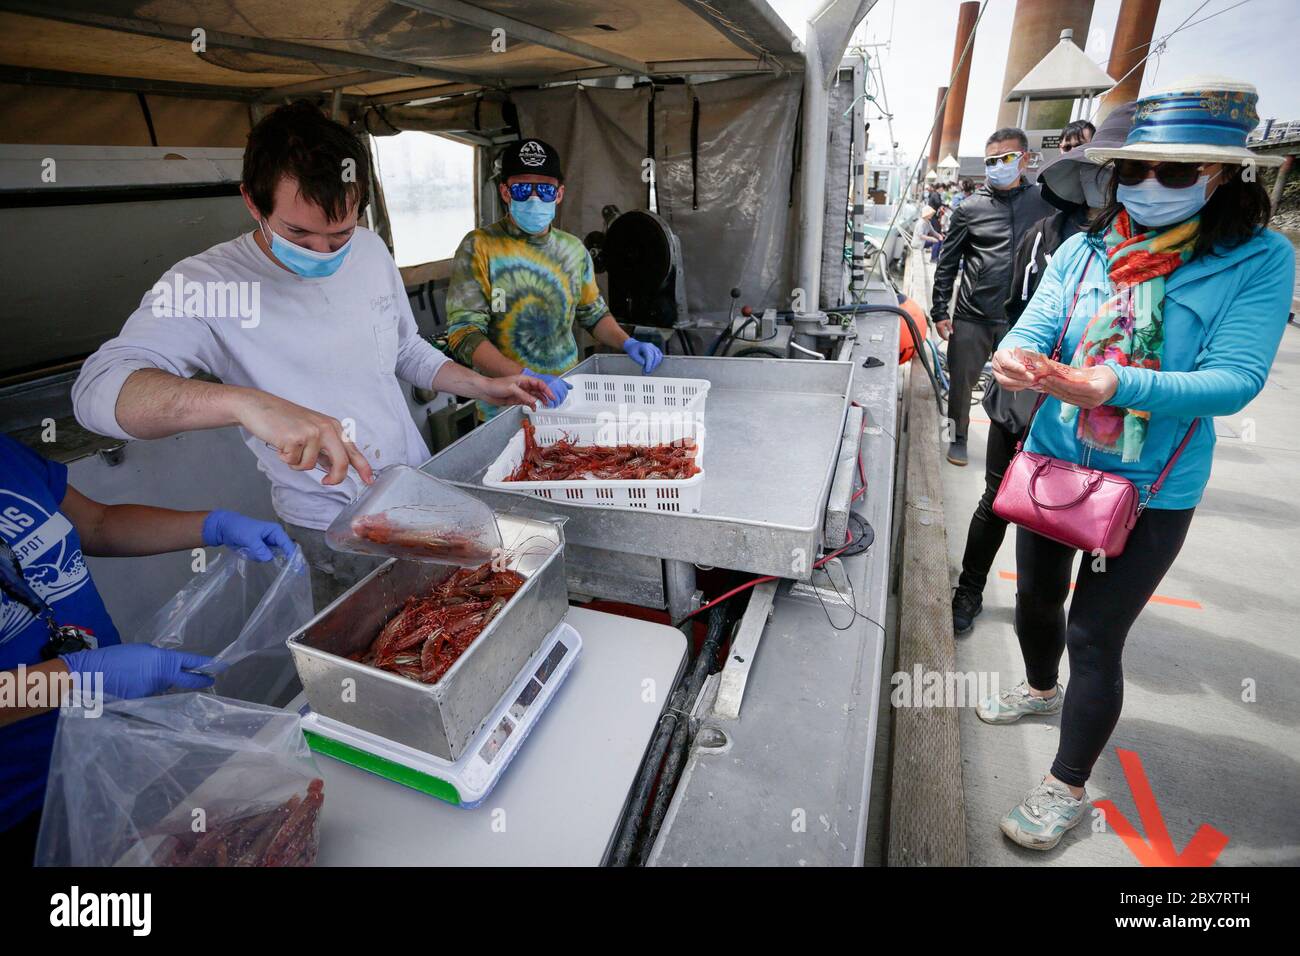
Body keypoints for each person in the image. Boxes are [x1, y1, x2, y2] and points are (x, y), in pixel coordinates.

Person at [71, 103, 552, 609]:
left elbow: (405, 350)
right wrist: (247, 404)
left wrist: (484, 385)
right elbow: (99, 391)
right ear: (252, 204)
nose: (324, 251)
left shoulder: (369, 251)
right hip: (332, 524)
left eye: (339, 232)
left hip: (419, 488)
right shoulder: (206, 283)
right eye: (299, 234)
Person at [979, 78, 1293, 850]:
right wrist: (1018, 356)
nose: (1148, 187)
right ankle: (1039, 687)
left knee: (1094, 635)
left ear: (1222, 176)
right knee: (1037, 603)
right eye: (1133, 171)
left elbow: (1235, 378)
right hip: (1056, 459)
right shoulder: (1087, 246)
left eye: (1175, 172)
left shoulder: (1259, 260)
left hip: (1152, 485)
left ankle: (1065, 786)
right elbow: (1040, 323)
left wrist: (1114, 382)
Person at [0, 433, 294, 864]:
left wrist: (211, 526)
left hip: (109, 749)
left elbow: (97, 523)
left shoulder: (8, 455)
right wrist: (76, 677)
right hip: (20, 803)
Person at [951, 103, 1136, 636]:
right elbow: (1019, 314)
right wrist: (1016, 362)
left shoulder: (1161, 257)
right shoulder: (1050, 240)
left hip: (1109, 417)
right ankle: (969, 589)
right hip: (1027, 402)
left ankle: (1070, 617)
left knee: (1085, 508)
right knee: (998, 497)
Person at [445, 139, 663, 417]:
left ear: (559, 194)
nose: (534, 198)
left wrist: (627, 342)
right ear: (505, 192)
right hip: (505, 405)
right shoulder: (479, 247)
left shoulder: (573, 250)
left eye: (545, 190)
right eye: (523, 189)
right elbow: (464, 334)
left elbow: (593, 315)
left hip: (567, 397)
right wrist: (524, 376)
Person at [931, 127, 1054, 466]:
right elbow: (948, 260)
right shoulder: (969, 208)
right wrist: (940, 309)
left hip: (1024, 316)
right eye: (991, 160)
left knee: (1023, 385)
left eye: (1006, 158)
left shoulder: (1044, 202)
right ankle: (956, 437)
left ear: (1024, 159)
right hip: (973, 313)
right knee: (961, 382)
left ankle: (1017, 443)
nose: (998, 165)